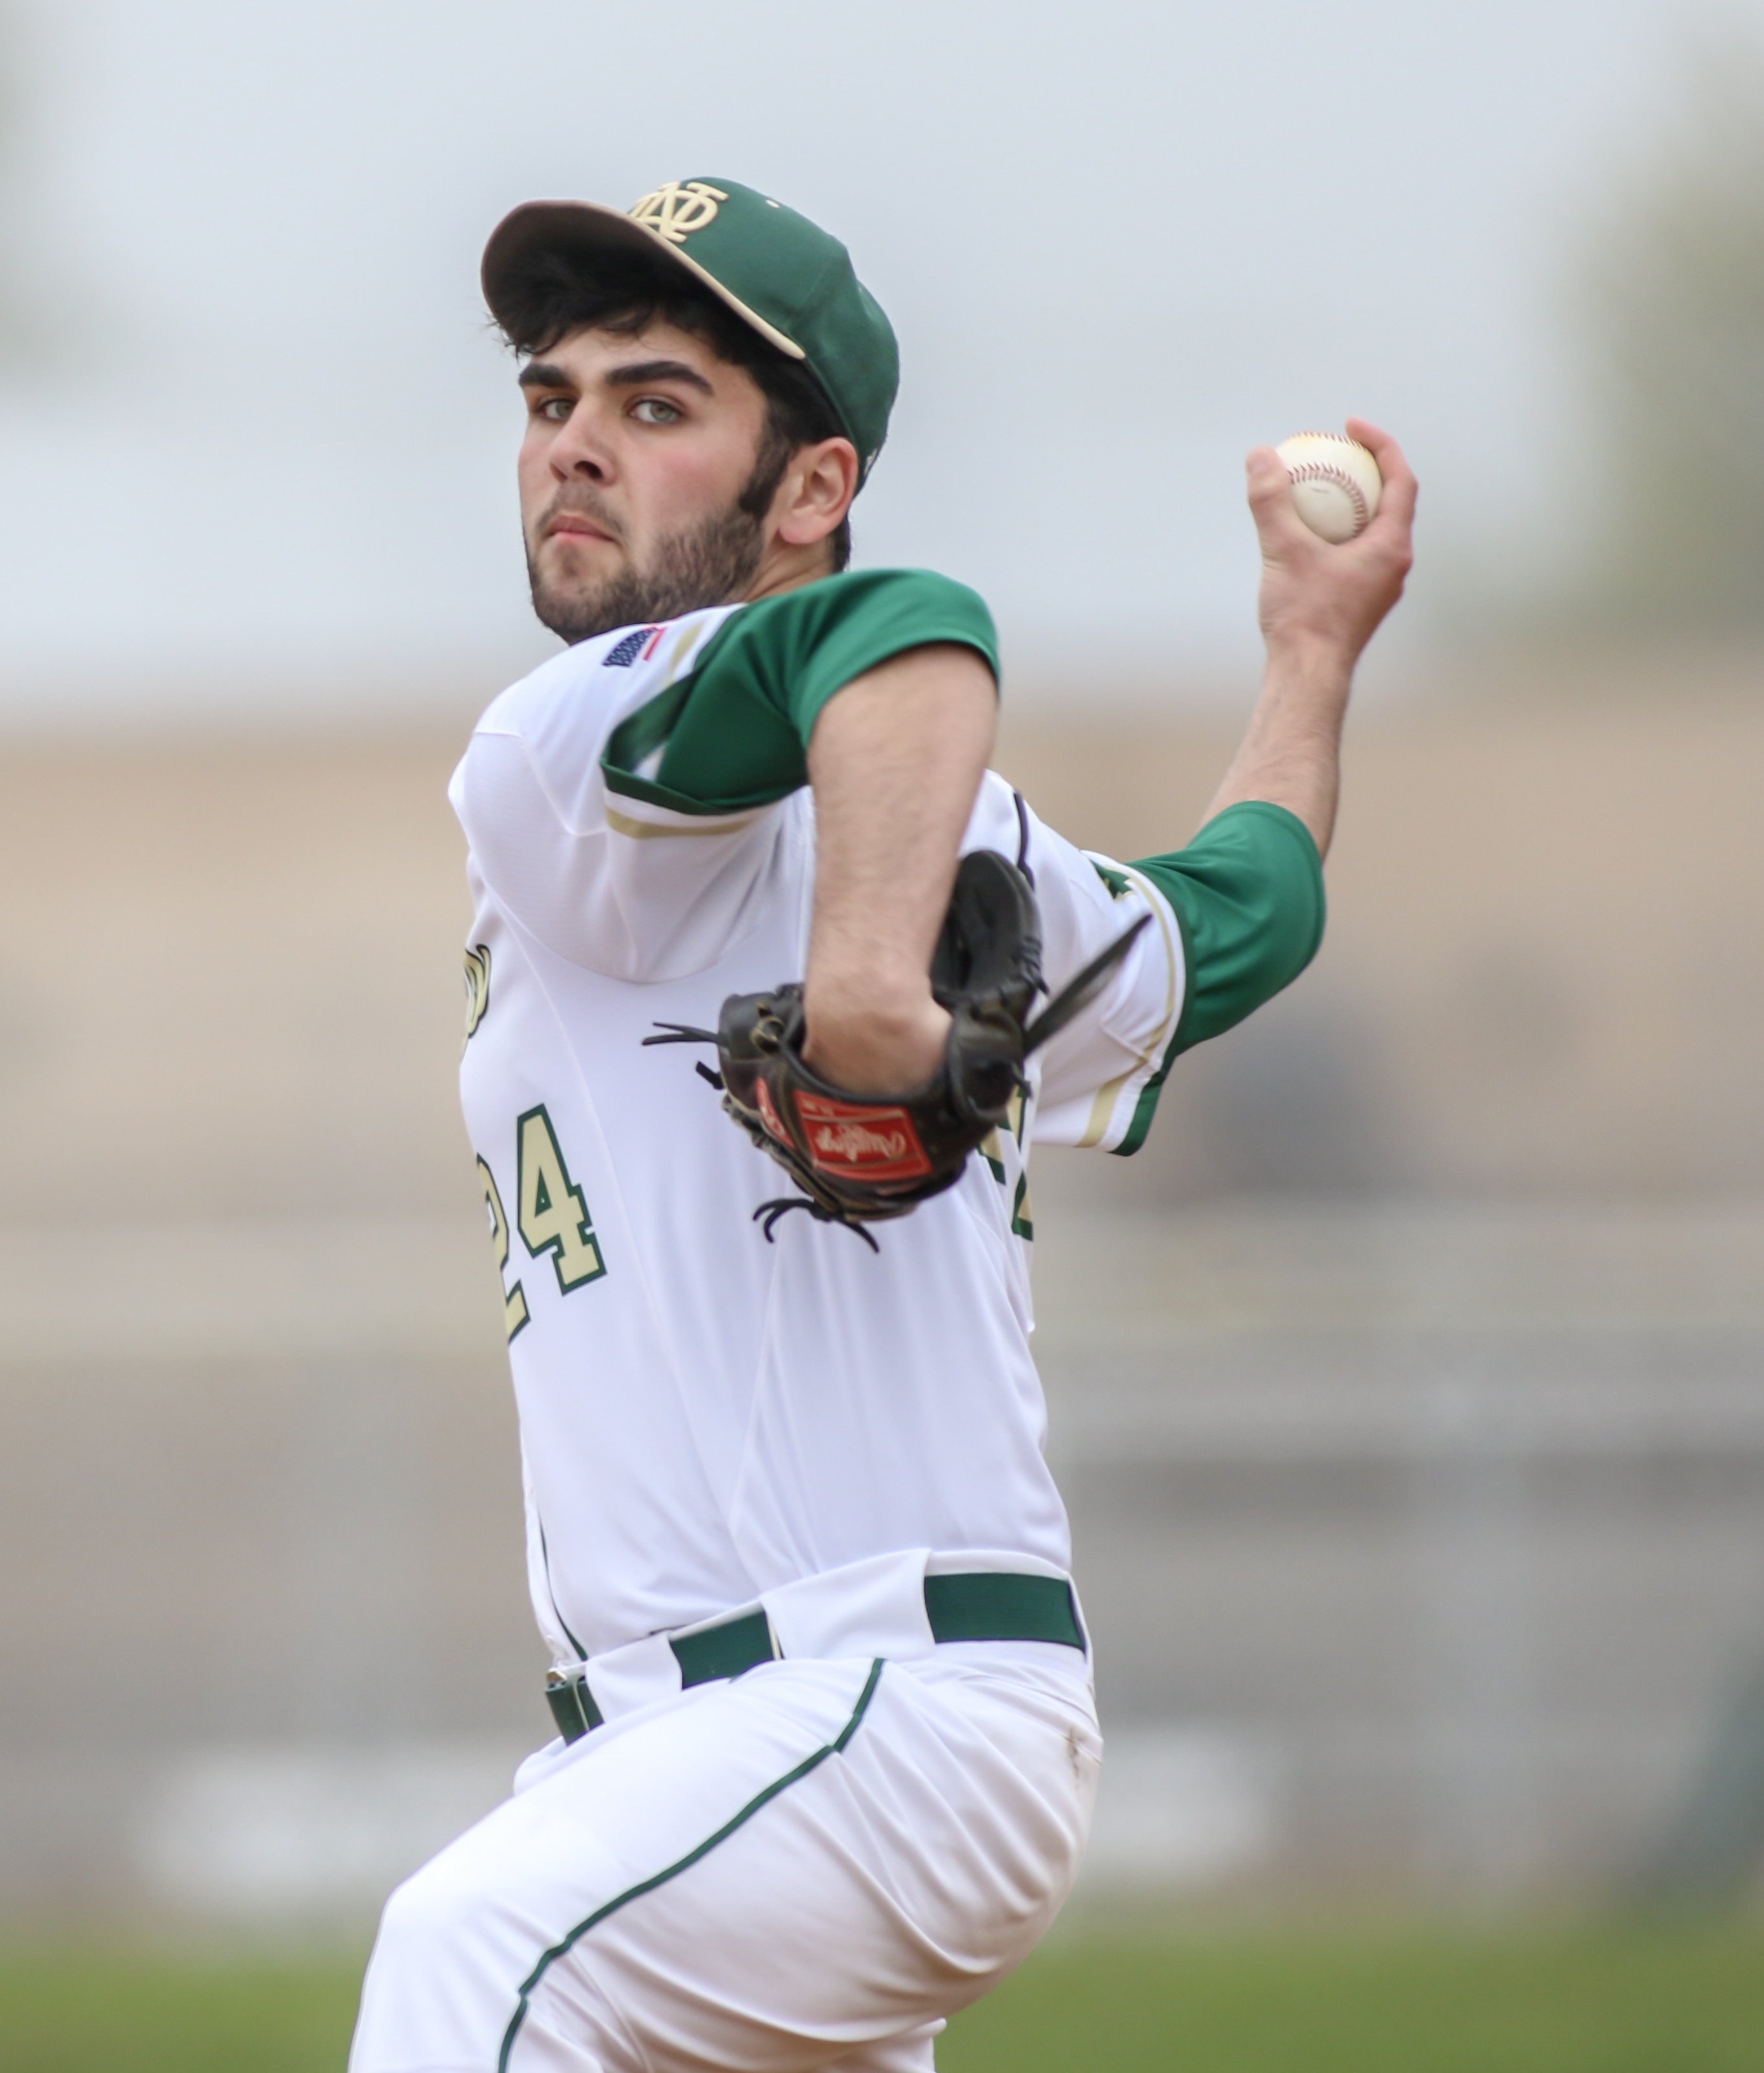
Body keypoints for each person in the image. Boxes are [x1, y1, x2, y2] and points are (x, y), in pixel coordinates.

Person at [354, 176, 1415, 2072]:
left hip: (867, 1700)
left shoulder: (612, 754)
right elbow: (1238, 912)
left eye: (656, 405)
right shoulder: (621, 759)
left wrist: (863, 993)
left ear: (813, 486)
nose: (577, 442)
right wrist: (1310, 650)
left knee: (471, 1955)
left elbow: (907, 628)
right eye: (550, 400)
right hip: (714, 1762)